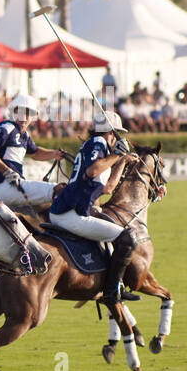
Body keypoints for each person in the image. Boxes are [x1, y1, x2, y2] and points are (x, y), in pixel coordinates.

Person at [47, 110, 142, 305]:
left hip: (70, 211)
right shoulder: (97, 144)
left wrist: (121, 160)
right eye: (118, 135)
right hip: (70, 214)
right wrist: (116, 156)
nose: (119, 140)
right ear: (111, 133)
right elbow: (92, 171)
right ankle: (111, 292)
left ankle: (114, 286)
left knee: (117, 231)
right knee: (128, 238)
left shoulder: (99, 150)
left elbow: (107, 188)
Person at [0, 93, 66, 210]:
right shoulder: (7, 127)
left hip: (14, 187)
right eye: (20, 112)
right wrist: (6, 171)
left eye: (27, 113)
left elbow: (35, 153)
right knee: (59, 190)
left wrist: (55, 154)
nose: (23, 117)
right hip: (5, 187)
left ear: (32, 116)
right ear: (14, 113)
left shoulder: (24, 135)